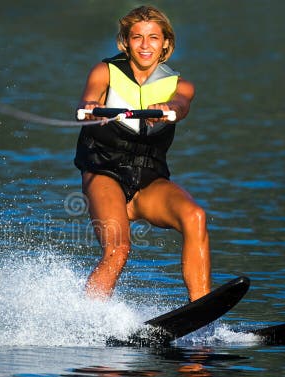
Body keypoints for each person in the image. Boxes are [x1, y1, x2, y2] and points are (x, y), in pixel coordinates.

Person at [74, 5, 209, 301]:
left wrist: (168, 110)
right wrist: (91, 109)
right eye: (137, 38)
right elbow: (89, 98)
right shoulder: (105, 71)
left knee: (195, 216)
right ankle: (87, 323)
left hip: (149, 181)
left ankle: (202, 314)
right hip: (104, 173)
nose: (145, 45)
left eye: (153, 38)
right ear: (126, 41)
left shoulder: (179, 85)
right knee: (119, 250)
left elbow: (181, 105)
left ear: (165, 44)